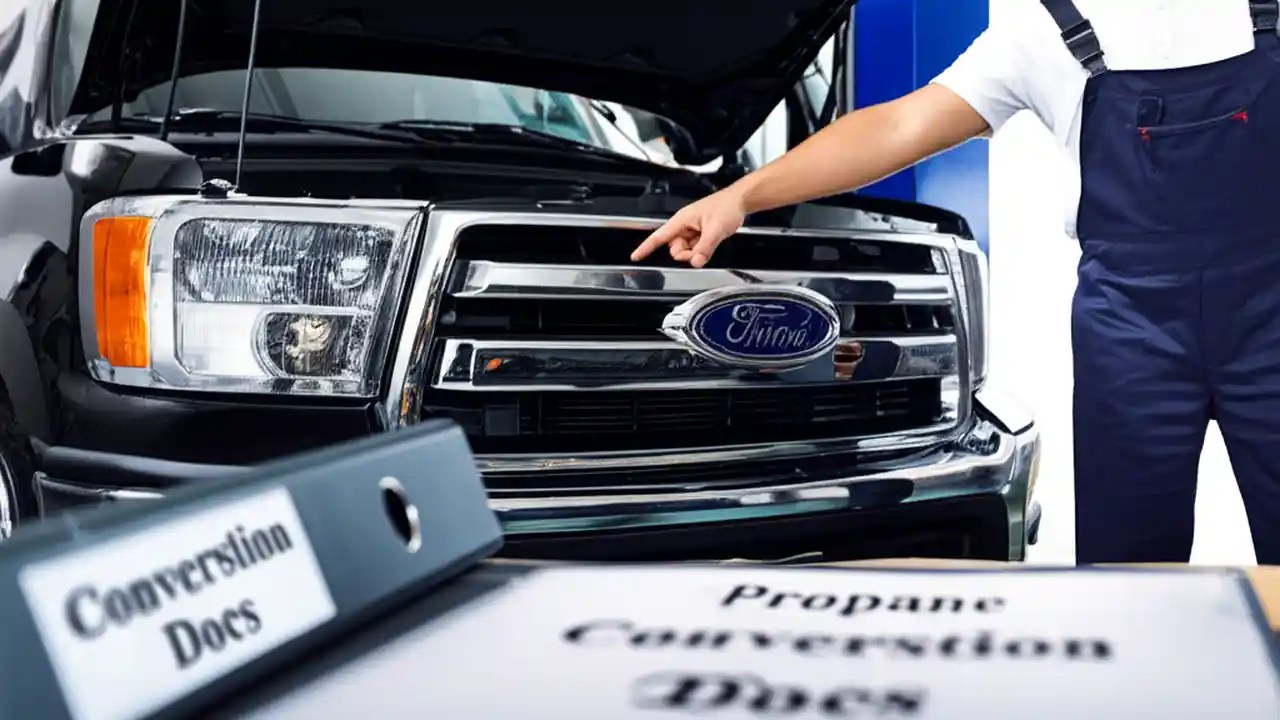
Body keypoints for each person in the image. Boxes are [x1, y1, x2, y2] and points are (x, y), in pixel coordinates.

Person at [632, 0, 1280, 566]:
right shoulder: (1044, 28)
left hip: (1273, 317)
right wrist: (743, 195)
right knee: (1128, 568)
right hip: (1132, 332)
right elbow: (900, 125)